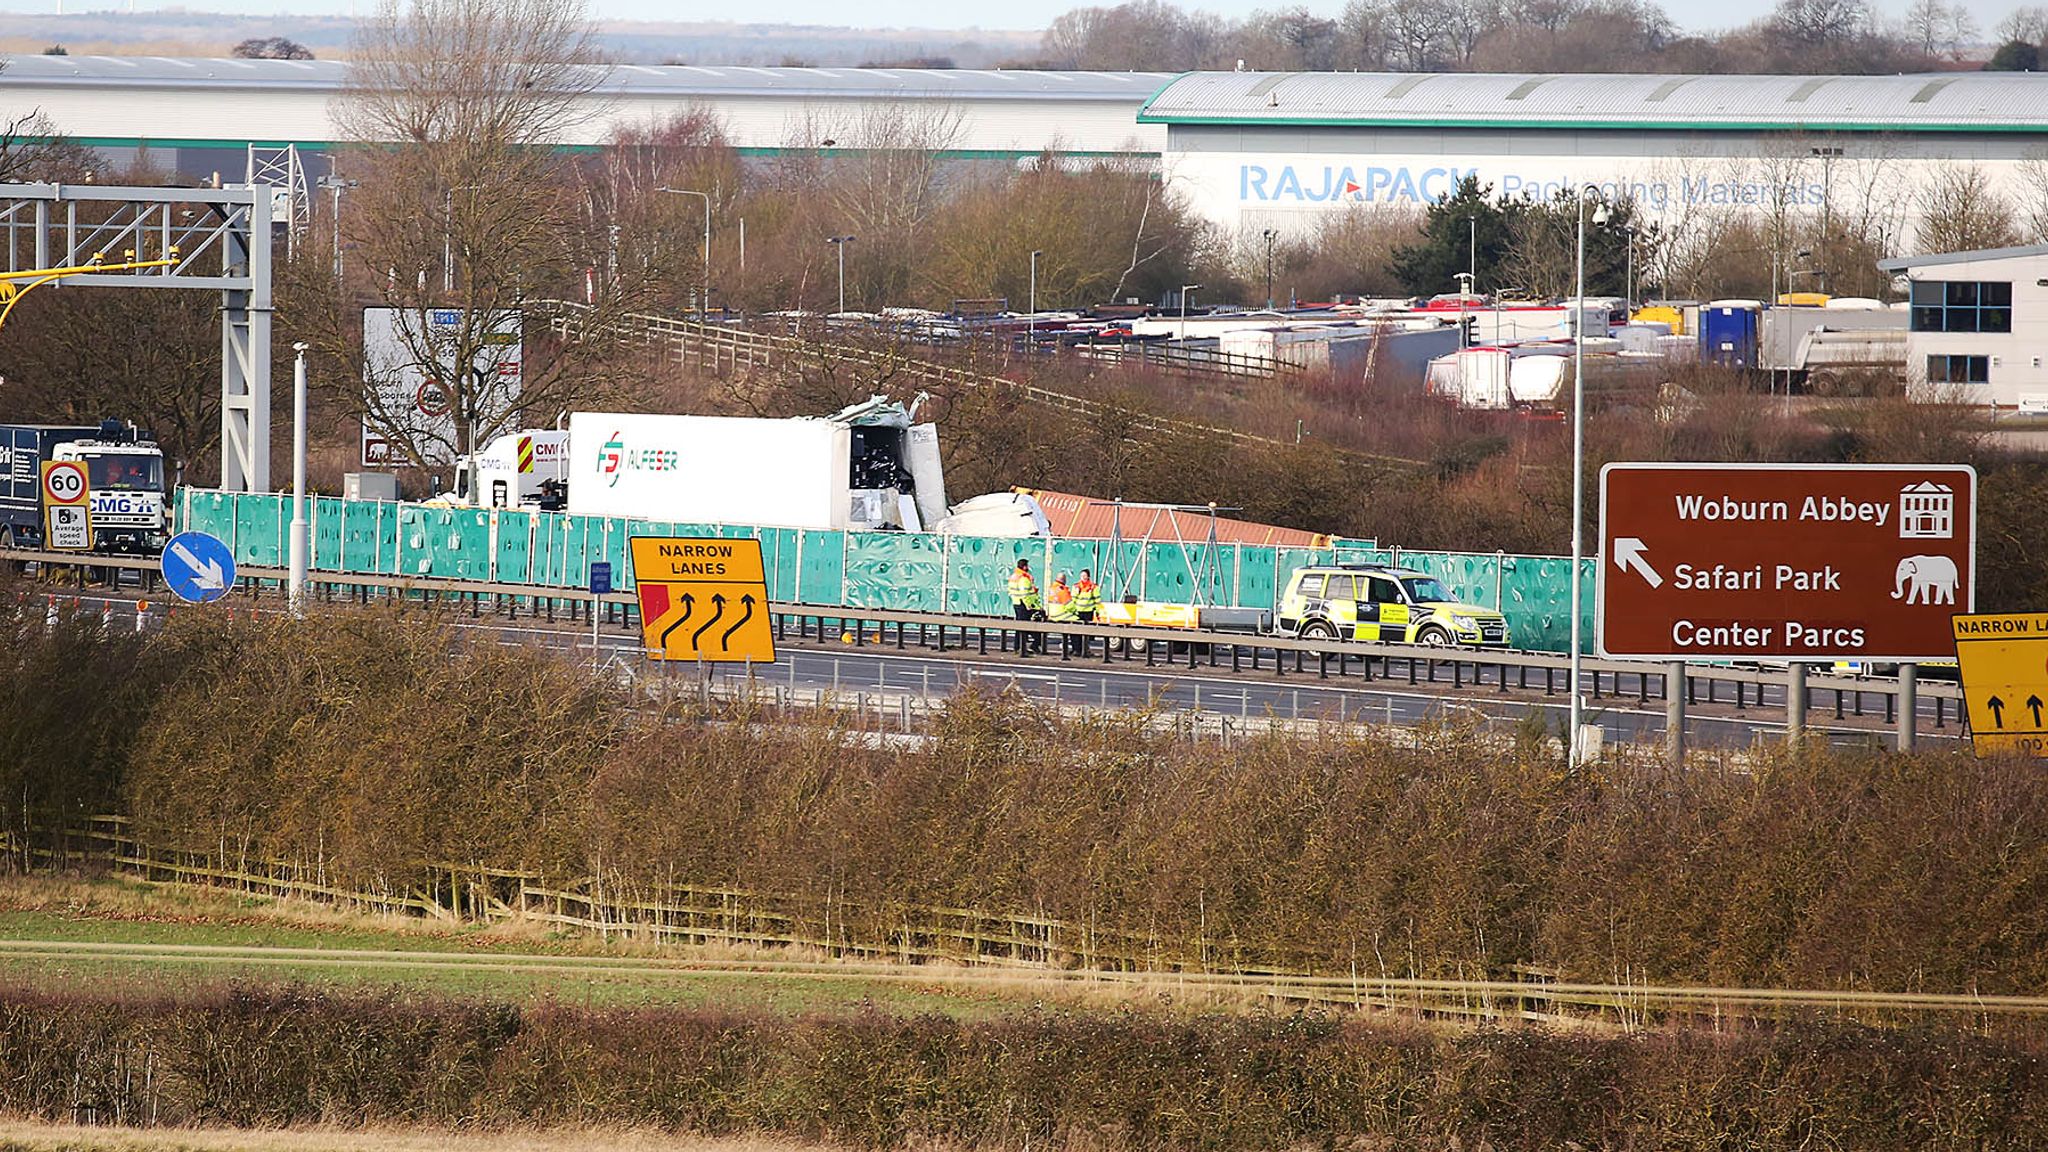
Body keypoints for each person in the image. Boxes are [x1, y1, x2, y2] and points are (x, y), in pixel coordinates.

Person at [1007, 557, 1044, 654]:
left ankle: (1018, 647)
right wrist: (1029, 605)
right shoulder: (1023, 578)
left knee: (1021, 627)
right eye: (1027, 566)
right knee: (1028, 626)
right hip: (1024, 605)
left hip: (1017, 603)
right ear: (1024, 567)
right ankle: (1027, 646)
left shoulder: (1014, 576)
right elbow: (1025, 594)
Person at [1072, 568, 1103, 657]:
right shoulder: (1076, 586)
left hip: (1088, 613)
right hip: (1078, 612)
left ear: (1088, 576)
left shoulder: (1094, 587)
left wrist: (1098, 612)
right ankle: (1076, 649)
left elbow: (1097, 601)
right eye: (1082, 576)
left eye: (1085, 576)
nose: (1083, 578)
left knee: (1086, 633)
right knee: (1076, 632)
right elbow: (1073, 599)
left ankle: (1084, 650)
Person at [1046, 570, 1078, 655]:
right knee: (1077, 624)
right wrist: (1076, 612)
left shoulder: (1052, 588)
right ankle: (1077, 649)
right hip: (1062, 615)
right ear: (1064, 580)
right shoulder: (1062, 590)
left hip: (1053, 614)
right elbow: (1069, 606)